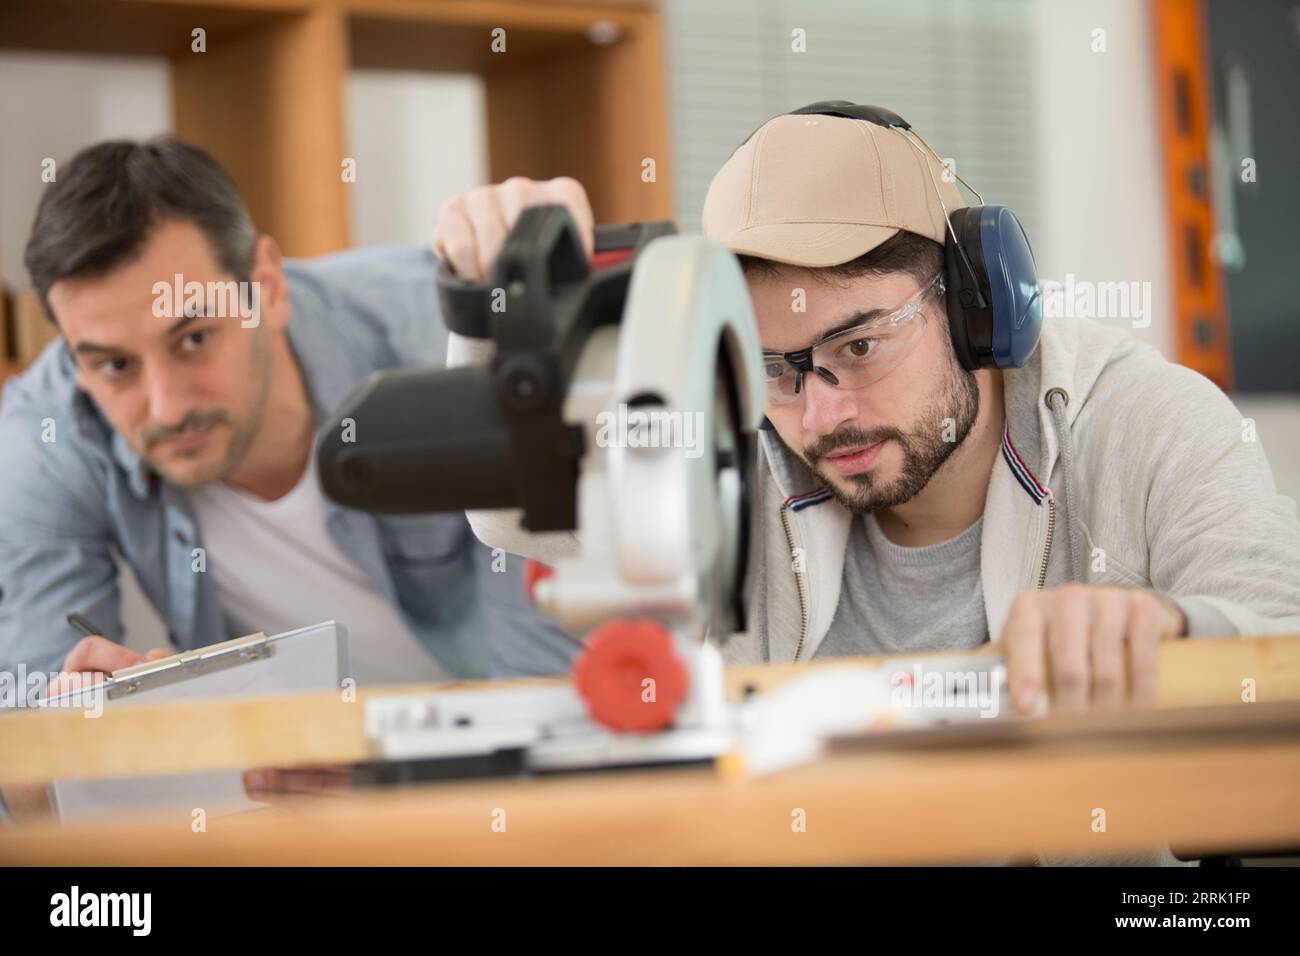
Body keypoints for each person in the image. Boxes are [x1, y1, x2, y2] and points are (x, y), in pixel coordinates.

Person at [433, 109, 1300, 717]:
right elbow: (509, 515)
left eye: (860, 345)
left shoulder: (1147, 423)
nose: (821, 414)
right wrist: (494, 307)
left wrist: (1176, 628)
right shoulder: (723, 444)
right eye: (778, 368)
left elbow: (1285, 641)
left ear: (977, 305)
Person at [0, 136, 577, 690]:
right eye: (114, 366)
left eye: (195, 338)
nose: (167, 407)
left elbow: (548, 691)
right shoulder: (46, 430)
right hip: (301, 775)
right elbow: (33, 741)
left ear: (268, 286)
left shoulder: (448, 337)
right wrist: (108, 729)